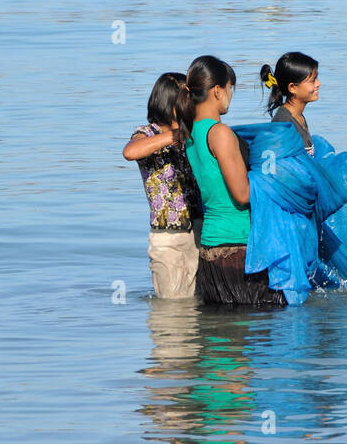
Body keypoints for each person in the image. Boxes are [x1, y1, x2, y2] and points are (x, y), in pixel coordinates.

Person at [180, 55, 286, 307]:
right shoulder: (220, 133)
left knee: (221, 339)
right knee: (253, 331)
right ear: (217, 91)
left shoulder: (191, 133)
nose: (231, 95)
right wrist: (276, 182)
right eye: (230, 89)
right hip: (238, 248)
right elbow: (242, 194)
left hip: (210, 250)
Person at [122, 73, 203, 298]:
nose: (192, 103)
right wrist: (173, 136)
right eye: (187, 99)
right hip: (168, 237)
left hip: (201, 230)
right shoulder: (146, 133)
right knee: (172, 316)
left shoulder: (195, 132)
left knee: (201, 307)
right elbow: (130, 152)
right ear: (170, 102)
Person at [260, 53, 320, 156]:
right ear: (292, 87)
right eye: (312, 80)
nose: (318, 84)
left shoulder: (298, 116)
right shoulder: (284, 124)